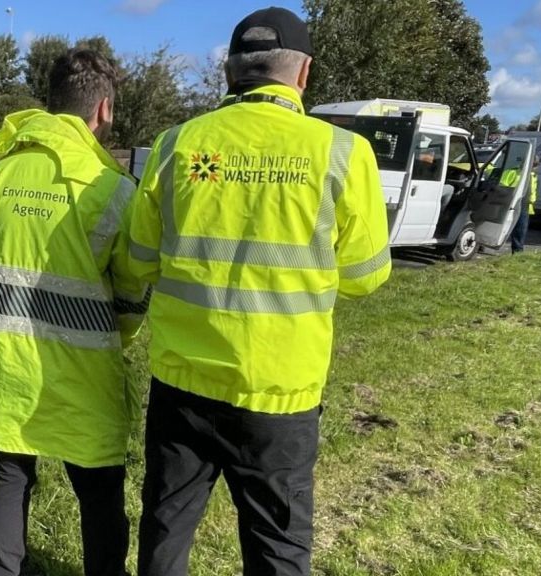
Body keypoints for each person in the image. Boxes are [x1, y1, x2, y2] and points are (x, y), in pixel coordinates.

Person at [128, 7, 391, 575]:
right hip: (281, 391)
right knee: (278, 543)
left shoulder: (177, 145)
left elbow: (139, 260)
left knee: (167, 527)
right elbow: (366, 276)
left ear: (229, 73)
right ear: (303, 74)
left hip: (182, 379)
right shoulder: (344, 153)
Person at [0, 48, 149, 576]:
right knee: (99, 486)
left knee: (11, 471)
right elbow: (132, 289)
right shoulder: (115, 191)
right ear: (103, 110)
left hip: (4, 363)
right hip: (83, 371)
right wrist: (115, 335)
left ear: (53, 101)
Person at [510, 158, 539, 253]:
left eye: (535, 165)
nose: (535, 167)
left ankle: (518, 252)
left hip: (525, 206)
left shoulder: (533, 175)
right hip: (512, 205)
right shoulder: (514, 172)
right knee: (508, 228)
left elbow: (532, 192)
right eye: (534, 165)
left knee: (521, 231)